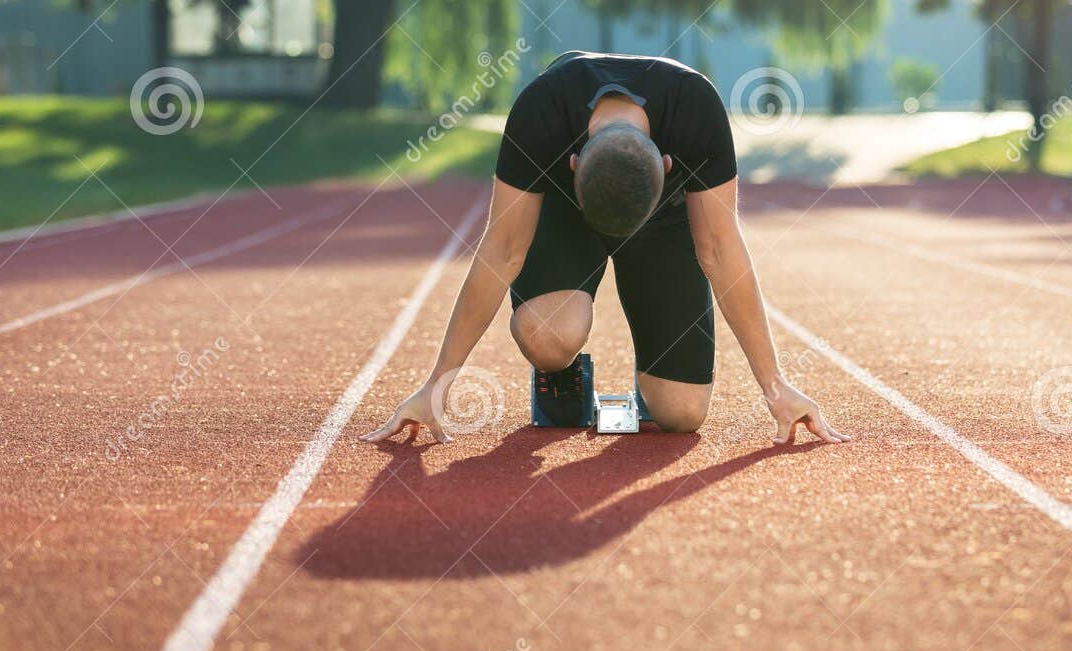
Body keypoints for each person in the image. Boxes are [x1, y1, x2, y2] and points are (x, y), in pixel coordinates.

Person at [362, 51, 850, 444]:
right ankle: (564, 374)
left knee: (681, 415)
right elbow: (501, 252)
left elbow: (721, 252)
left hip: (664, 219)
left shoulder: (696, 109)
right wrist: (438, 383)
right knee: (548, 337)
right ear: (572, 163)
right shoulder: (541, 111)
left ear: (665, 163)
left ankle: (652, 386)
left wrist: (775, 387)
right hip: (564, 212)